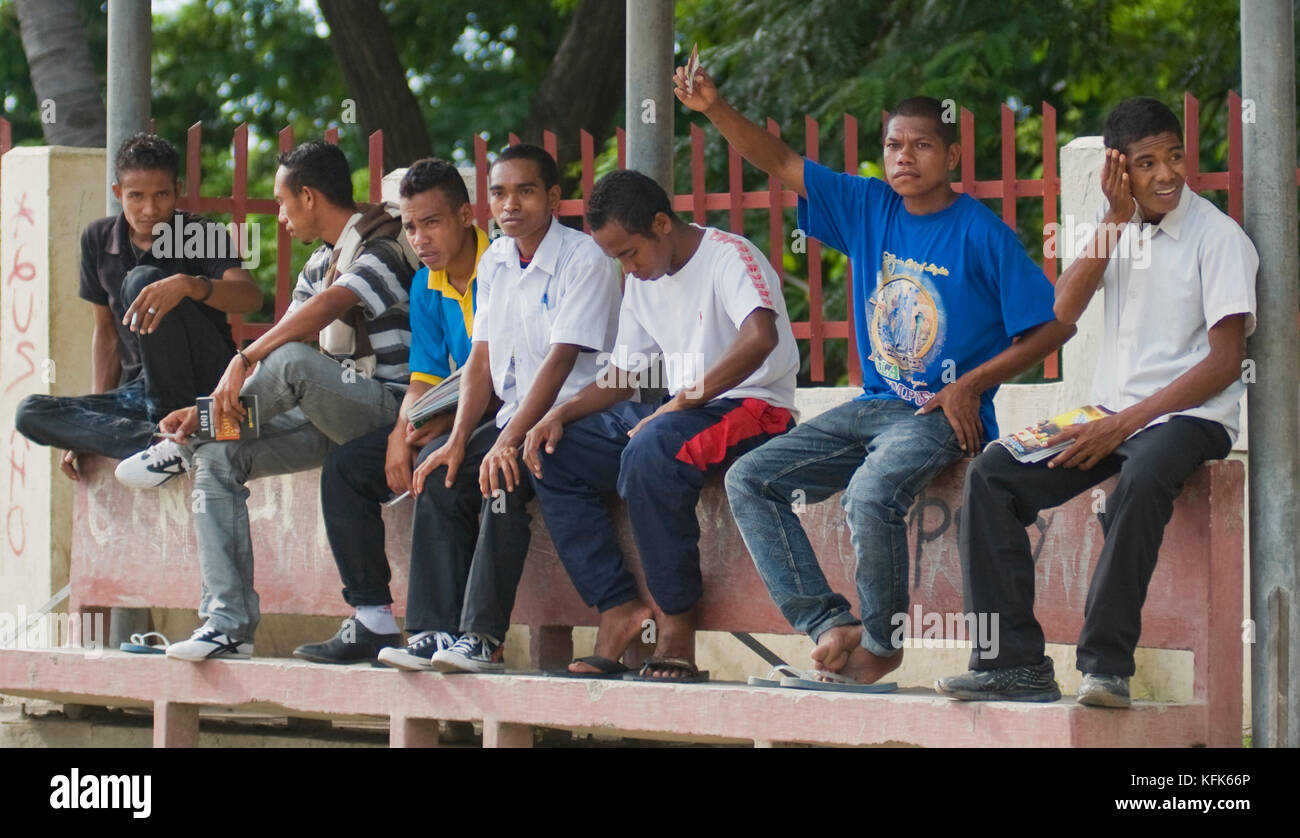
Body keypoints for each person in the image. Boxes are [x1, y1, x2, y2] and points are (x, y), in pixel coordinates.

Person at [674, 65, 1073, 686]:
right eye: (893, 145)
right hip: (872, 405)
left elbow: (1051, 328)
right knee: (752, 478)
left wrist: (970, 384)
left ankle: (881, 646)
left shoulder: (981, 233)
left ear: (951, 154)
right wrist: (713, 108)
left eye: (920, 145)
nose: (904, 157)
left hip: (939, 417)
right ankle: (829, 624)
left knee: (869, 492)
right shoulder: (867, 206)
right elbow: (778, 161)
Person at [937, 97, 1257, 706]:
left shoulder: (1218, 239)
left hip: (1190, 418)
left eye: (1174, 157)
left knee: (1140, 476)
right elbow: (1060, 313)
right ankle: (1013, 666)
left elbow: (1223, 362)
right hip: (1109, 414)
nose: (1165, 175)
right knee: (993, 474)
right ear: (1119, 171)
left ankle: (1106, 666)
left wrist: (1128, 425)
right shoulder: (1118, 232)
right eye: (1146, 163)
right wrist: (1112, 220)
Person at [117, 141, 417, 662]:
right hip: (329, 419)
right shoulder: (318, 264)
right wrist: (205, 407)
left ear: (307, 196)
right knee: (218, 455)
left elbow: (328, 311)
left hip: (388, 415)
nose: (279, 217)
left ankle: (187, 443)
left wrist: (243, 357)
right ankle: (227, 624)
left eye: (281, 203)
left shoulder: (385, 245)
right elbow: (290, 341)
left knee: (289, 363)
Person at [523, 169, 800, 680]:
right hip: (682, 413)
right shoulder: (642, 281)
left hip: (753, 407)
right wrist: (557, 414)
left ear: (661, 223)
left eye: (630, 253)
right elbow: (621, 377)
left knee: (651, 449)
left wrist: (681, 402)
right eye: (617, 259)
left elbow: (759, 337)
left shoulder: (728, 255)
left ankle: (677, 626)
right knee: (553, 452)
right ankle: (617, 607)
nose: (627, 268)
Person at [375, 144, 621, 673]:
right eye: (499, 193)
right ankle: (434, 631)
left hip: (580, 416)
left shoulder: (585, 259)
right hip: (517, 415)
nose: (510, 204)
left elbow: (561, 361)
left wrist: (507, 440)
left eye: (525, 191)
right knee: (441, 468)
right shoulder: (496, 261)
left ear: (553, 198)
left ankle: (483, 638)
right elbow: (481, 360)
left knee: (503, 475)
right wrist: (459, 440)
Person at [293, 157, 490, 664]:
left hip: (505, 412)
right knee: (345, 468)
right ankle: (373, 619)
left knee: (437, 472)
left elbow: (507, 371)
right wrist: (403, 430)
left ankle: (436, 632)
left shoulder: (502, 269)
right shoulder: (427, 284)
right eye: (410, 227)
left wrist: (442, 426)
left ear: (466, 216)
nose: (420, 239)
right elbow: (423, 378)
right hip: (452, 409)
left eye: (432, 223)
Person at [14, 133, 261, 477]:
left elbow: (249, 295)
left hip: (205, 383)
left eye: (161, 195)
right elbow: (105, 335)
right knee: (30, 412)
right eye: (136, 196)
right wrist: (94, 430)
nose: (149, 209)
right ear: (118, 193)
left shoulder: (200, 233)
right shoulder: (97, 240)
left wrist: (189, 286)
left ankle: (180, 429)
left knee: (142, 280)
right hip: (139, 394)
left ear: (176, 190)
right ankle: (161, 443)